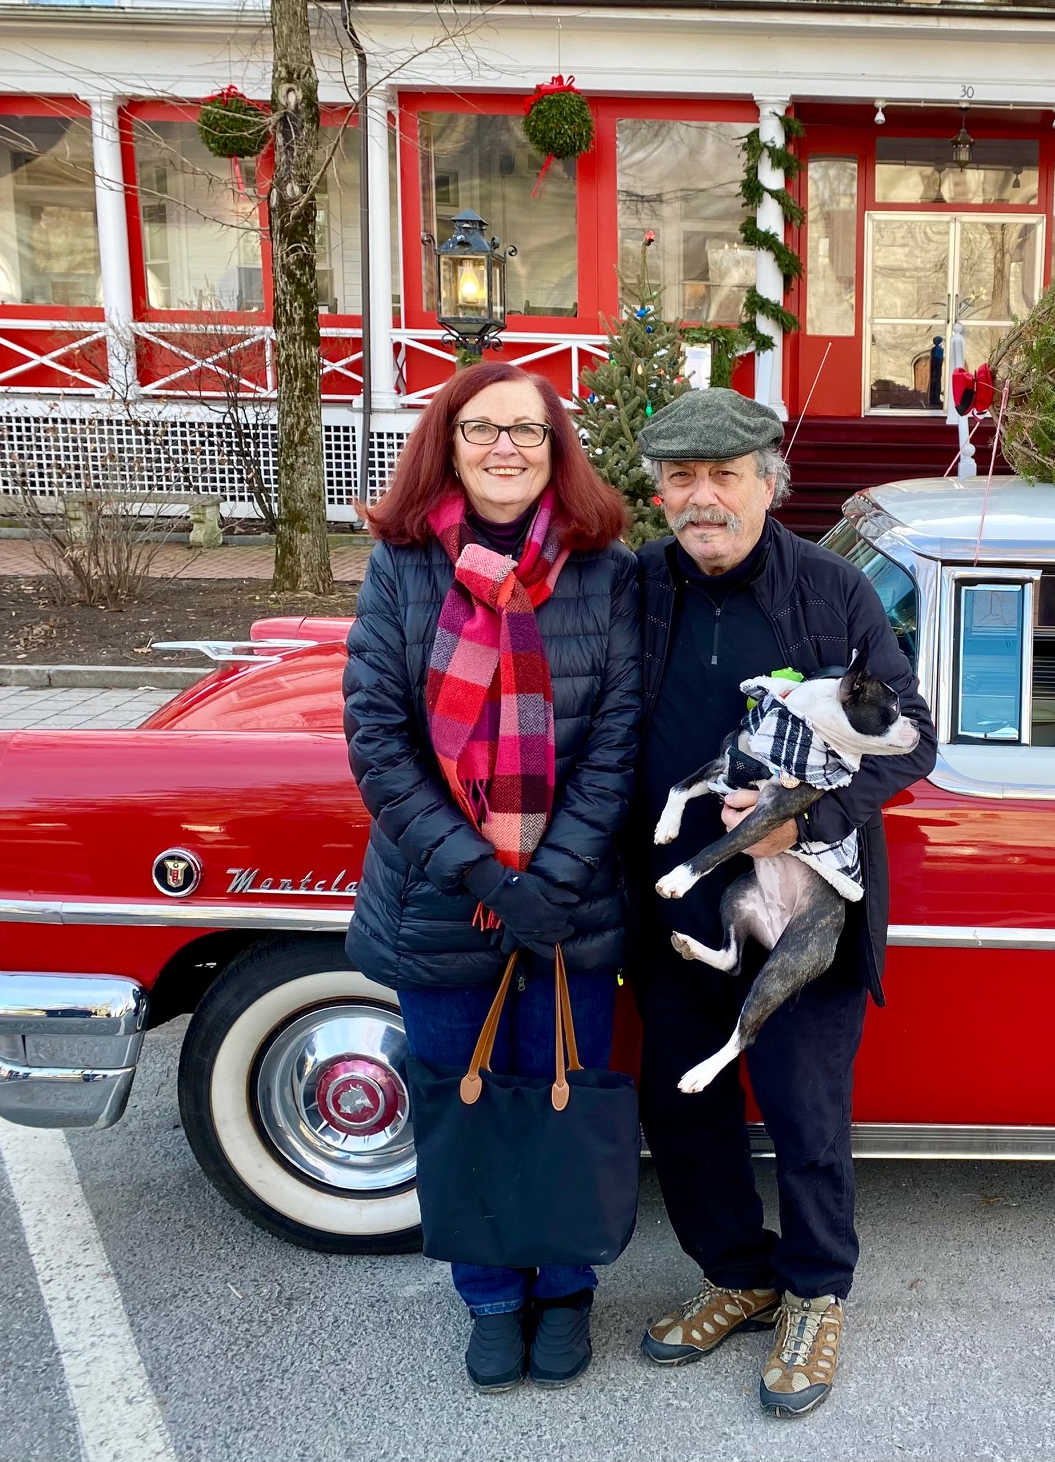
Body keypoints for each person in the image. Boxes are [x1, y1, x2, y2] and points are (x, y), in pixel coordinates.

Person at [625, 387, 936, 1419]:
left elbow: (913, 735)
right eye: (681, 477)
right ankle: (738, 1272)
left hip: (803, 897)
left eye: (723, 475)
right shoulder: (634, 586)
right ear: (659, 488)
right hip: (678, 903)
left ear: (768, 481)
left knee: (804, 1108)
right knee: (684, 1107)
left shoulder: (831, 591)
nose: (700, 496)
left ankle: (813, 1292)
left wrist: (803, 822)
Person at [342, 362, 639, 1393]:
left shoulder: (607, 568)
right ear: (449, 442)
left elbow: (618, 739)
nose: (503, 445)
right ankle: (490, 1294)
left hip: (570, 897)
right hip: (440, 894)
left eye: (525, 429)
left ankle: (563, 1287)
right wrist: (481, 869)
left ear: (556, 446)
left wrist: (548, 879)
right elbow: (378, 740)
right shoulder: (399, 565)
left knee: (558, 1094)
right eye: (481, 429)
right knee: (460, 1100)